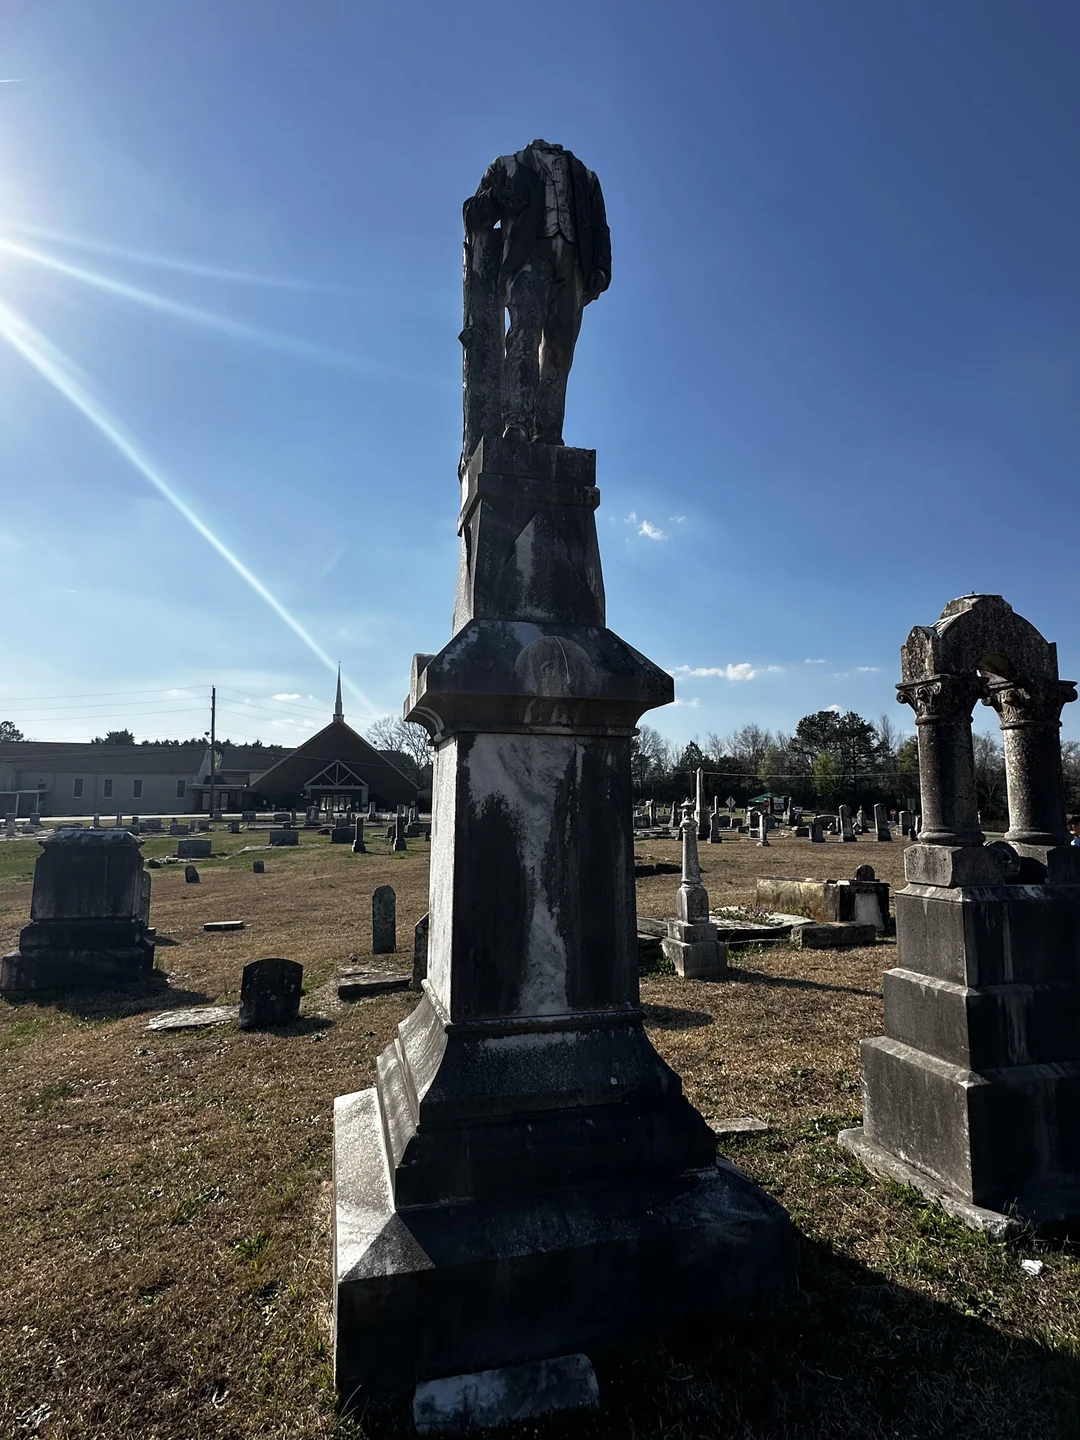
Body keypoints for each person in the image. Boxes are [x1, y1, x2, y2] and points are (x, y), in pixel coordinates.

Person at [464, 140, 611, 445]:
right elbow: (471, 213)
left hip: (573, 264)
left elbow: (599, 227)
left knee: (560, 350)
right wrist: (497, 199)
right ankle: (517, 422)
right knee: (523, 337)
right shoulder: (508, 164)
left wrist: (601, 267)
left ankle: (548, 431)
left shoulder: (585, 176)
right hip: (527, 257)